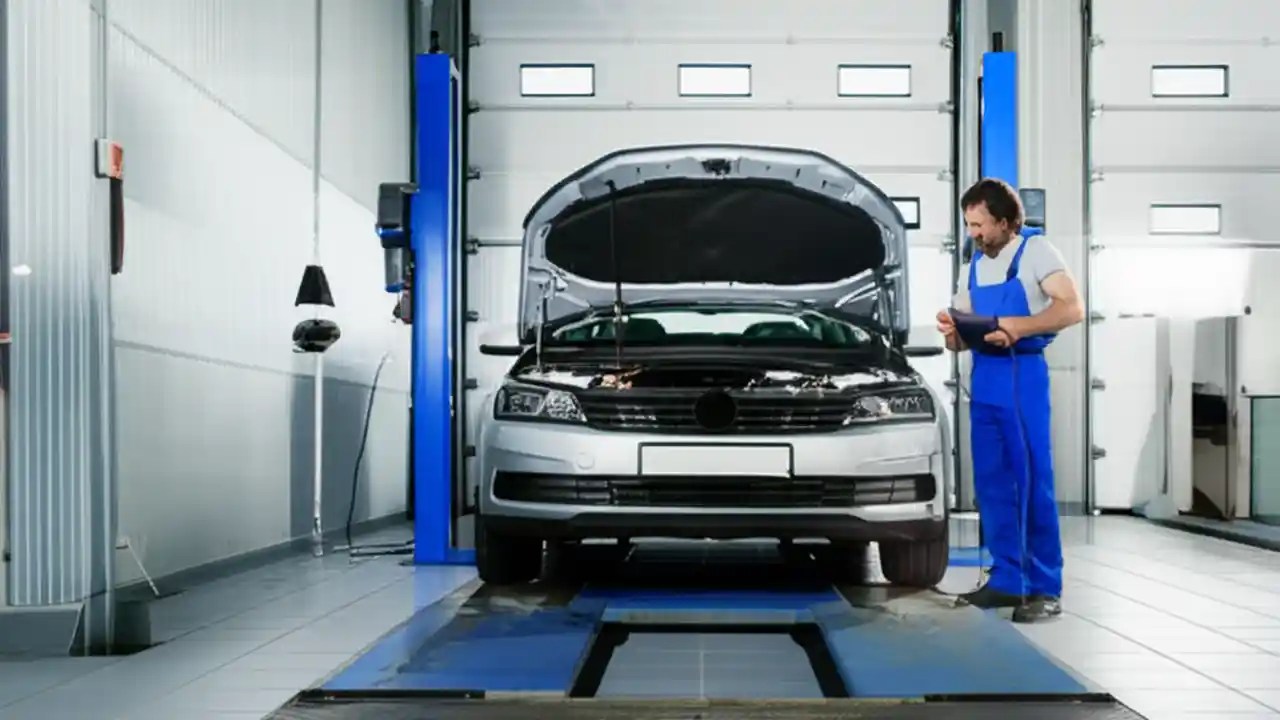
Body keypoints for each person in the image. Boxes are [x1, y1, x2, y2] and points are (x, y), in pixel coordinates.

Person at [937, 178, 1085, 623]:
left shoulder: (1036, 252)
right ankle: (1007, 578)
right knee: (993, 482)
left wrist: (1018, 327)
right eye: (968, 225)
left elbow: (1071, 308)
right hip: (984, 377)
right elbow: (959, 342)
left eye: (979, 225)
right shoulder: (971, 267)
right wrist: (952, 332)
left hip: (1022, 373)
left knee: (1031, 479)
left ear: (1005, 221)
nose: (974, 234)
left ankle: (1044, 587)